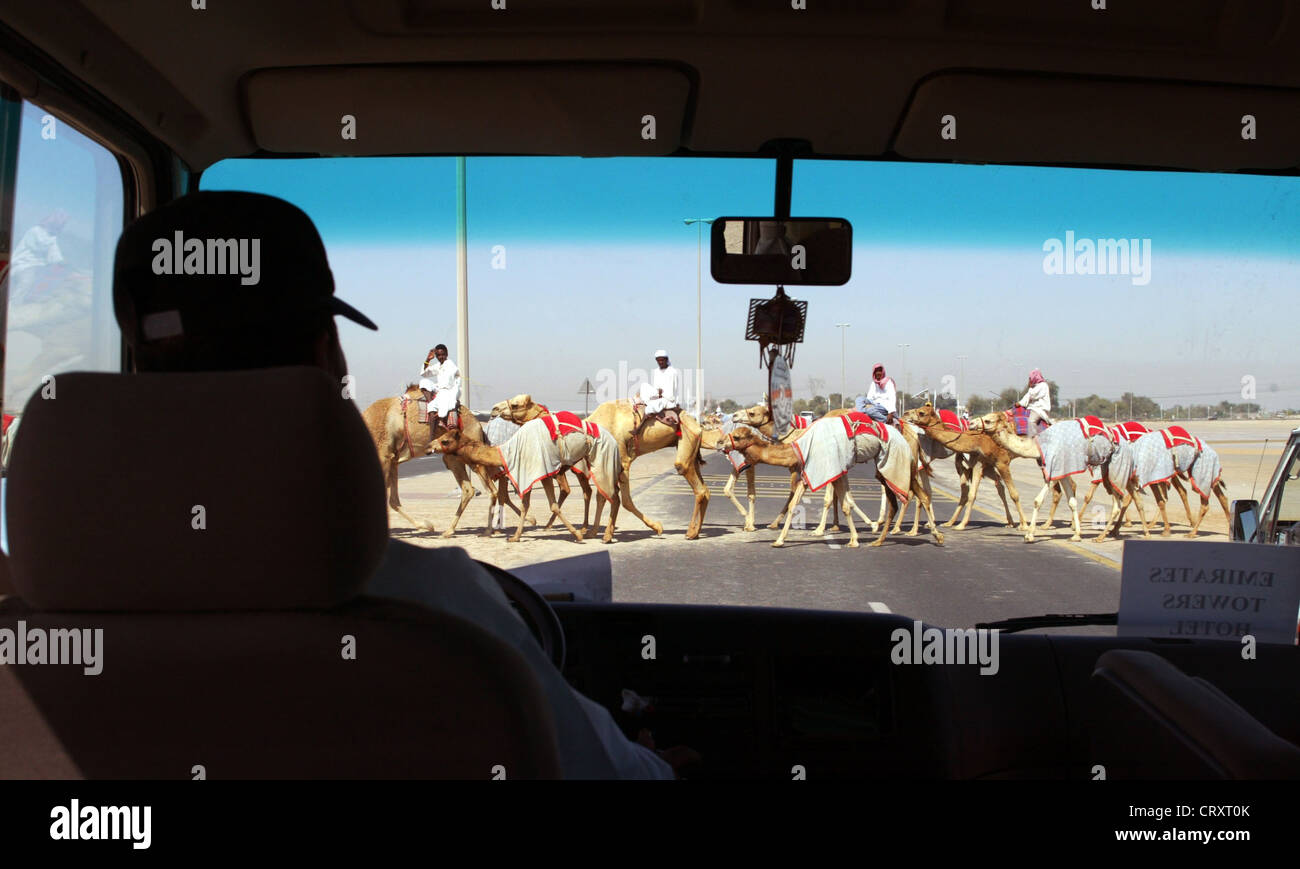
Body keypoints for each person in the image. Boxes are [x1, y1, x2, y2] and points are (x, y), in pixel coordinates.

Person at [111, 190, 679, 779]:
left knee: (457, 412)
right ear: (326, 355)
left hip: (450, 405)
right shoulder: (440, 606)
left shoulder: (84, 605)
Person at [9, 209, 69, 304]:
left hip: (36, 265)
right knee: (26, 282)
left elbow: (54, 251)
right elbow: (39, 246)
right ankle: (15, 303)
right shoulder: (35, 231)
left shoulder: (51, 237)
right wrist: (53, 257)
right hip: (24, 263)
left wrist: (60, 261)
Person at [419, 344, 461, 429]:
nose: (441, 357)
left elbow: (447, 386)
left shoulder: (450, 366)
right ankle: (431, 401)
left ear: (447, 354)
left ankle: (433, 432)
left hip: (450, 390)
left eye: (443, 355)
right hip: (440, 389)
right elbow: (424, 373)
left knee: (434, 408)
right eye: (438, 355)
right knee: (423, 382)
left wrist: (441, 409)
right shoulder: (439, 365)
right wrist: (428, 359)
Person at [636, 350, 682, 424]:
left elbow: (671, 393)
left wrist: (660, 394)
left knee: (650, 407)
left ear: (666, 360)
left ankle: (642, 423)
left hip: (668, 400)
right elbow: (656, 387)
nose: (660, 362)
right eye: (658, 360)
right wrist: (656, 393)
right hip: (658, 395)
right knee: (644, 385)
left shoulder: (672, 372)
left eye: (662, 360)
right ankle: (648, 403)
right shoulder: (656, 371)